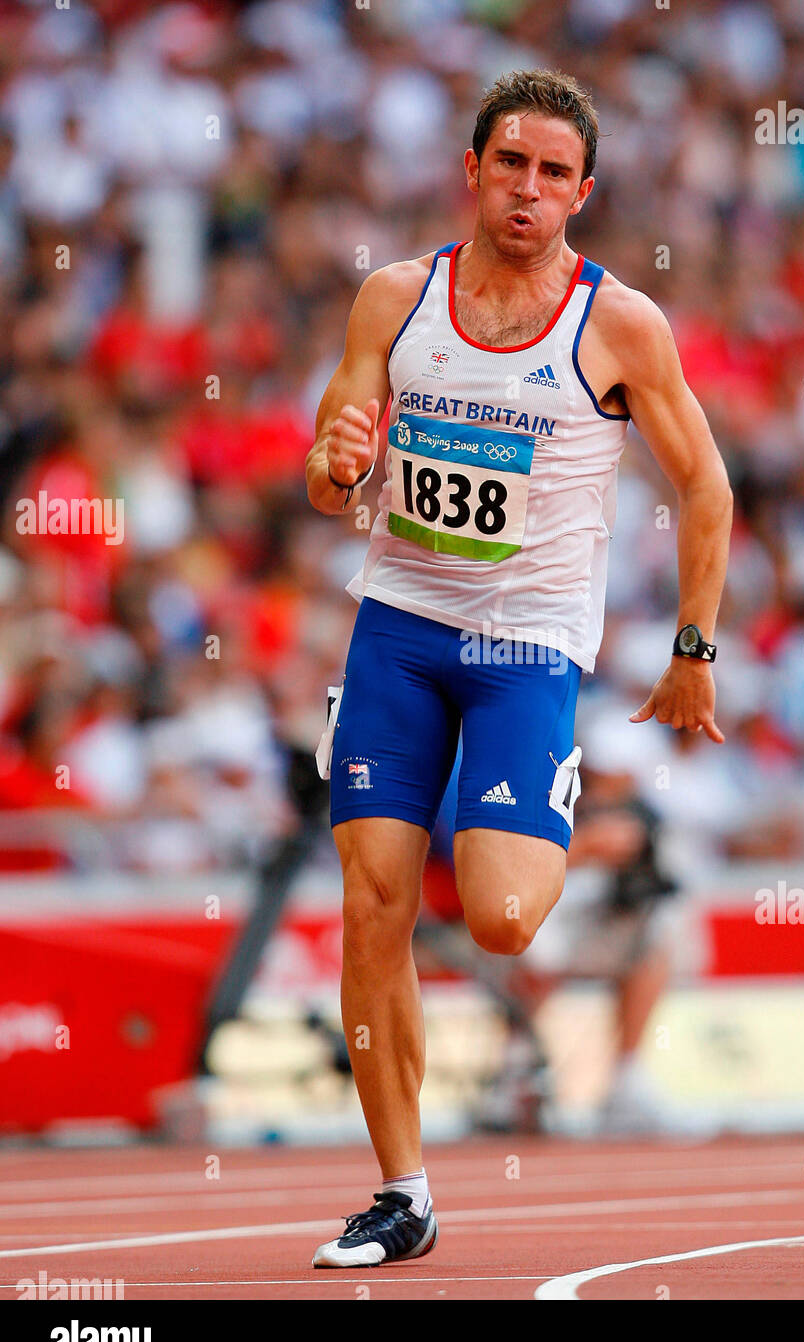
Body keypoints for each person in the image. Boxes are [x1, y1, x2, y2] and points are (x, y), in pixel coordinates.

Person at [304, 69, 732, 1269]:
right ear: (473, 172)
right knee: (371, 906)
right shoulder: (396, 299)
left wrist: (690, 647)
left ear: (582, 192)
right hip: (394, 625)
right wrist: (338, 466)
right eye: (510, 165)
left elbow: (704, 484)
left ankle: (537, 798)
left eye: (553, 173)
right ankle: (404, 1192)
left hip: (525, 649)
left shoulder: (618, 325)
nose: (528, 190)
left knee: (495, 919)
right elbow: (327, 475)